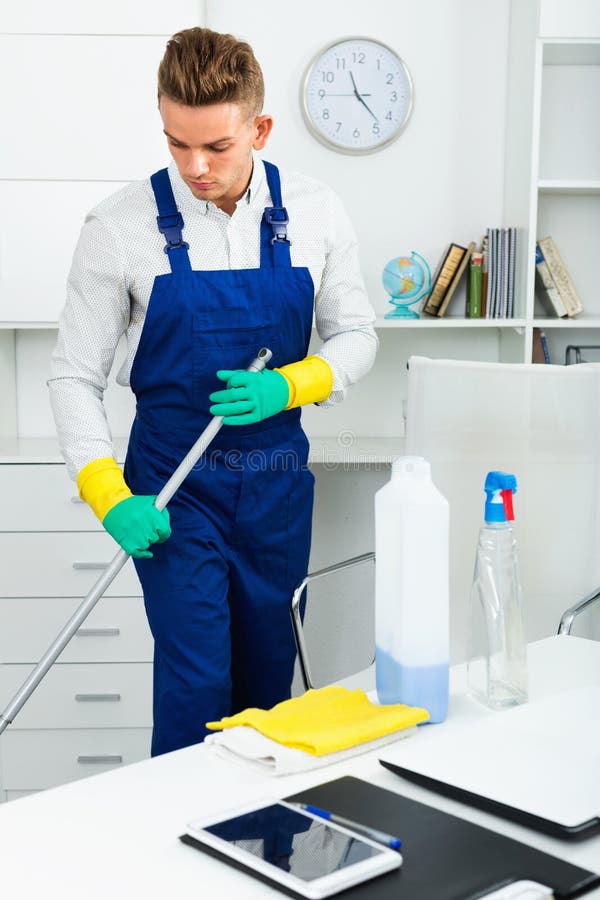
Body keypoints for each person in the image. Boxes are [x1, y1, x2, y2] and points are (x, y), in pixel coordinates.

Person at [48, 27, 377, 757]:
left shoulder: (317, 211)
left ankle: (265, 853)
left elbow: (358, 334)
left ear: (259, 128)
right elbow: (74, 374)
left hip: (276, 488)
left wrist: (295, 383)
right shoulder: (118, 227)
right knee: (196, 685)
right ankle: (179, 850)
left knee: (268, 689)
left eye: (217, 148)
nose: (195, 166)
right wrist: (107, 491)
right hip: (173, 493)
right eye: (176, 143)